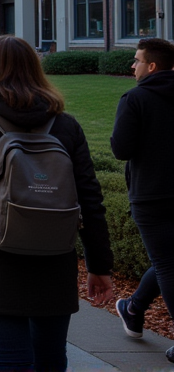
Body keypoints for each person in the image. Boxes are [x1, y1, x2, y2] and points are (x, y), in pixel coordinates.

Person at [0, 35, 113, 372]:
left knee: (9, 360)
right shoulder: (65, 125)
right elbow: (89, 197)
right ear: (36, 69)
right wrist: (98, 265)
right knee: (50, 358)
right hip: (53, 256)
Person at [111, 37, 174, 361]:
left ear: (151, 66)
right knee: (168, 260)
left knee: (166, 263)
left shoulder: (135, 99)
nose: (132, 66)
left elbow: (120, 149)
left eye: (136, 61)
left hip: (151, 194)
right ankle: (133, 309)